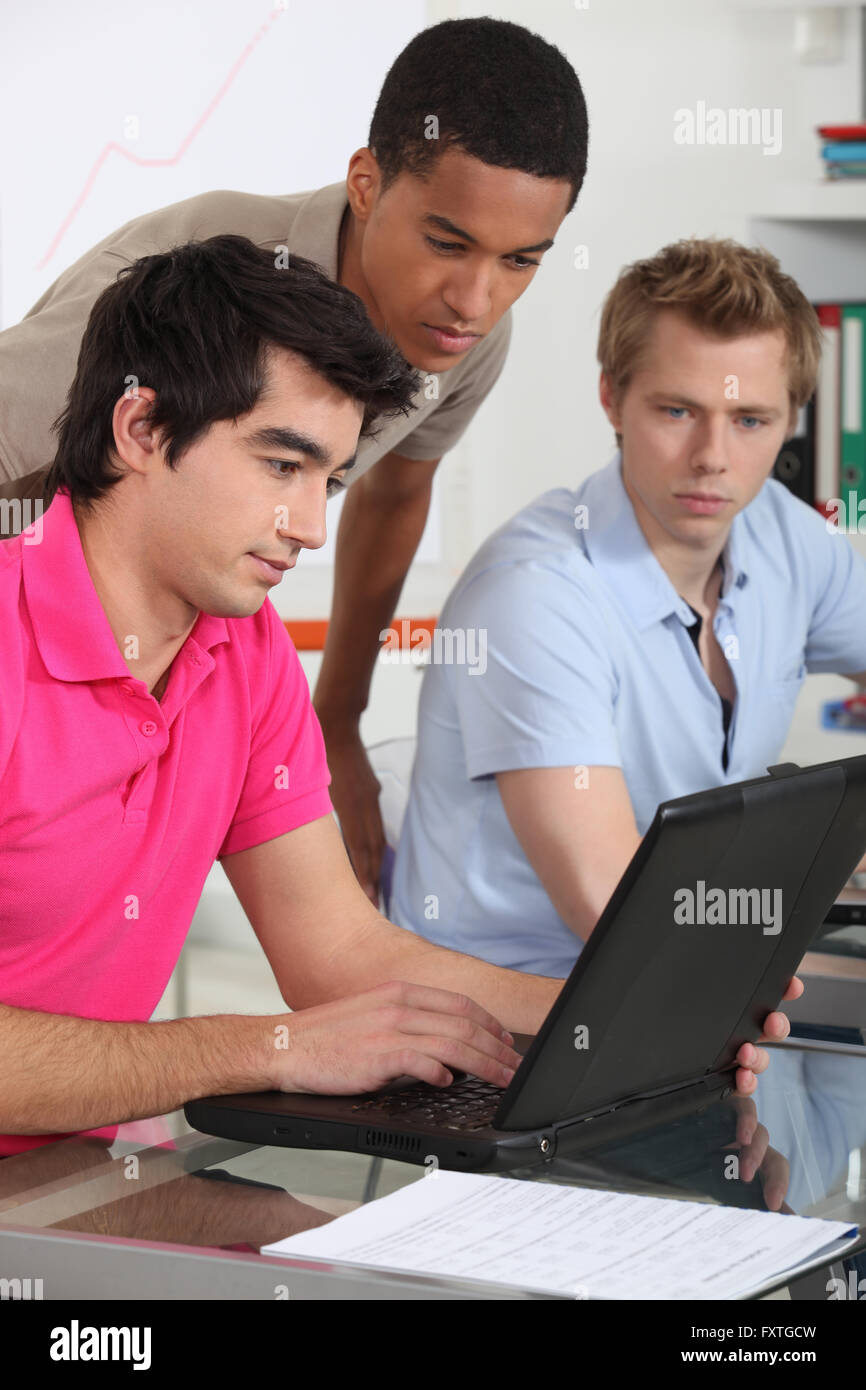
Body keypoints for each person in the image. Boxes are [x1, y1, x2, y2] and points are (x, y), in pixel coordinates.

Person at [0, 236, 787, 1159]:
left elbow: (340, 953)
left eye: (329, 481)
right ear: (139, 429)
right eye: (280, 466)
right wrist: (266, 1046)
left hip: (72, 1182)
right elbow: (287, 1026)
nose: (310, 529)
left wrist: (638, 1018)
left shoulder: (242, 647)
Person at [0, 16, 589, 904]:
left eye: (520, 262)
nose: (475, 300)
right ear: (366, 183)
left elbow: (396, 491)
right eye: (446, 242)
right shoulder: (192, 289)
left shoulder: (465, 338)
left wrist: (339, 721)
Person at [390, 238, 866, 977]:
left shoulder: (782, 533)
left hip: (690, 981)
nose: (713, 456)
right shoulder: (535, 595)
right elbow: (610, 904)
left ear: (795, 416)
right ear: (611, 396)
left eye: (750, 420)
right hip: (498, 1028)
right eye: (678, 410)